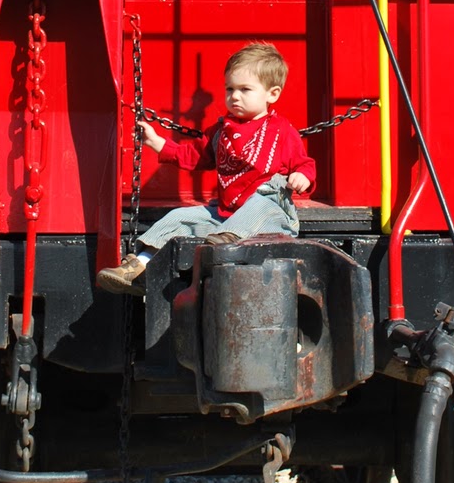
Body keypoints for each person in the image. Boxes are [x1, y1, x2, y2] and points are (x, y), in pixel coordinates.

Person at [97, 41, 315, 295]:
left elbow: (304, 163)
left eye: (245, 89)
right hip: (225, 217)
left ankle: (224, 244)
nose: (234, 96)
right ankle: (141, 268)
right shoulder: (221, 131)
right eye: (230, 89)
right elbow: (193, 155)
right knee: (180, 217)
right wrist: (156, 142)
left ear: (272, 94)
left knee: (262, 203)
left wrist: (302, 176)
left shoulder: (281, 131)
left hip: (271, 218)